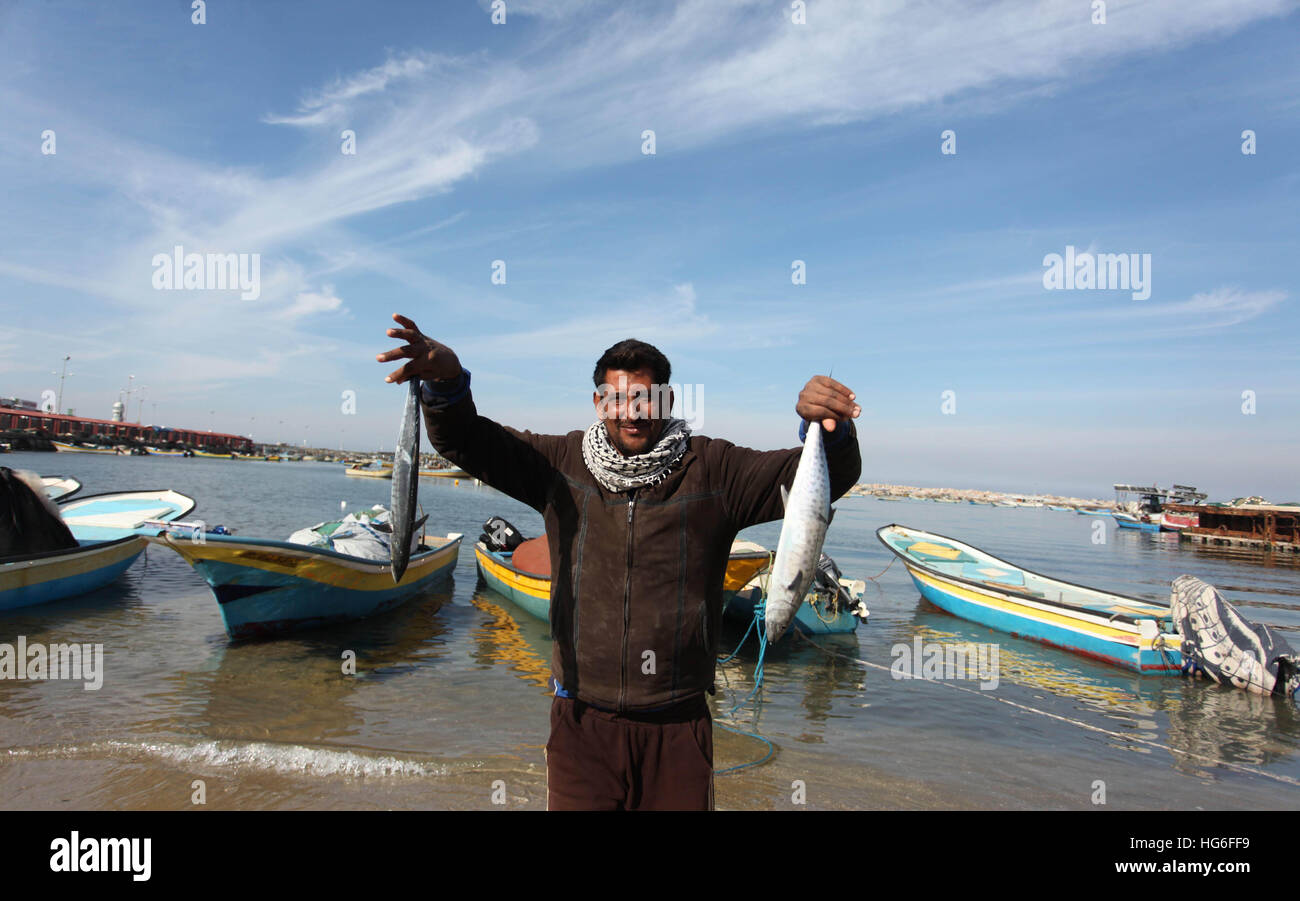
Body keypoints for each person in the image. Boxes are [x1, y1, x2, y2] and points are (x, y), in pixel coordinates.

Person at [378, 313, 861, 809]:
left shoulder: (717, 470)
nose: (631, 413)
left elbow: (823, 478)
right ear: (597, 403)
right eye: (616, 400)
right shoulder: (557, 466)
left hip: (679, 724)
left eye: (645, 399)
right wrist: (448, 383)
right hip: (581, 722)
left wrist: (827, 429)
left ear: (668, 401)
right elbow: (466, 440)